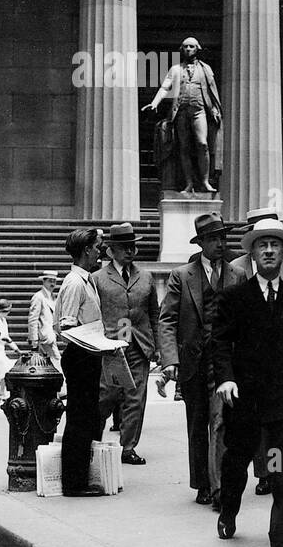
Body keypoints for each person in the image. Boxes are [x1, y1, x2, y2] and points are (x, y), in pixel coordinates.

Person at [213, 216, 283, 547]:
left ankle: (281, 536)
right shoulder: (234, 297)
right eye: (262, 245)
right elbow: (221, 343)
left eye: (275, 245)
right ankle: (228, 511)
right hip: (245, 398)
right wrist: (225, 378)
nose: (269, 251)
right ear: (253, 254)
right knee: (236, 462)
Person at [158, 212, 239, 510]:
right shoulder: (183, 275)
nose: (221, 243)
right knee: (197, 424)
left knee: (220, 422)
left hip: (224, 362)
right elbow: (167, 320)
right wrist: (170, 359)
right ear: (202, 242)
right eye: (214, 239)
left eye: (223, 238)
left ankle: (219, 488)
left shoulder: (237, 274)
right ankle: (202, 483)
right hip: (194, 359)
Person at [92, 222, 161, 465]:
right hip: (110, 347)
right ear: (112, 250)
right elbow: (92, 314)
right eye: (124, 247)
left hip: (139, 346)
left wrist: (158, 346)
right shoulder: (97, 278)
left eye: (132, 246)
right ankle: (93, 440)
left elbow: (155, 313)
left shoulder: (146, 277)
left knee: (136, 398)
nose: (130, 251)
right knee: (106, 396)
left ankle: (128, 447)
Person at [57, 227, 107, 496]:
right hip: (80, 354)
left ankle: (79, 478)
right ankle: (74, 483)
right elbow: (67, 325)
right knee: (79, 418)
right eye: (97, 247)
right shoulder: (76, 282)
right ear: (86, 250)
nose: (100, 251)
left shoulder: (85, 280)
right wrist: (94, 342)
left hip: (88, 353)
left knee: (86, 416)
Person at [142, 36, 222, 195]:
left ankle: (205, 181)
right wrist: (155, 102)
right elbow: (165, 87)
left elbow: (212, 90)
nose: (188, 49)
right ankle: (189, 183)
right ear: (181, 49)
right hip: (181, 111)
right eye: (185, 47)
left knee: (202, 144)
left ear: (197, 48)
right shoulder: (176, 69)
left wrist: (214, 109)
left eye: (191, 46)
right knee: (183, 148)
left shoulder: (205, 69)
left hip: (199, 110)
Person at [28, 271, 62, 373]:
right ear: (44, 281)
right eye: (50, 281)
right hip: (43, 337)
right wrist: (33, 339)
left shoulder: (53, 297)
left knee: (49, 363)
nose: (52, 284)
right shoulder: (39, 296)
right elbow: (33, 319)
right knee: (56, 361)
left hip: (51, 336)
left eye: (54, 281)